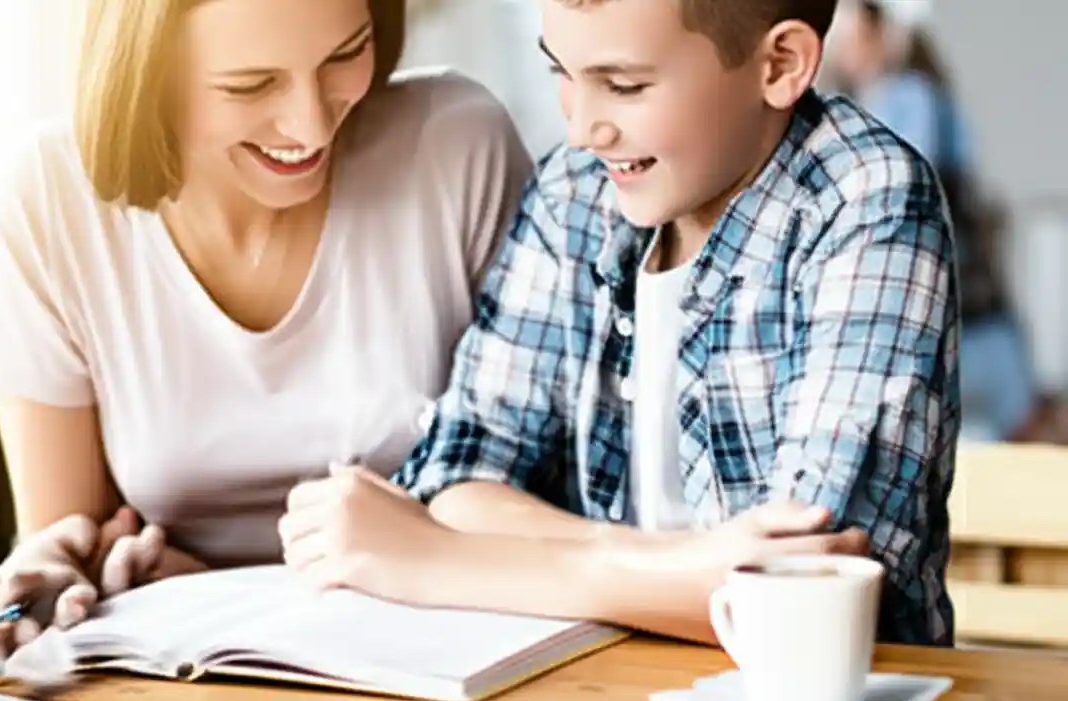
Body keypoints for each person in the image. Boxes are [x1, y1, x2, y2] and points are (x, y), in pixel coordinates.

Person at [280, 0, 960, 647]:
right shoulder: (573, 192)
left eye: (625, 85)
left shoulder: (867, 200)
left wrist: (438, 564)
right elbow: (459, 479)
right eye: (562, 73)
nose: (582, 130)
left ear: (779, 65)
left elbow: (808, 588)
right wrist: (681, 564)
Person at [0, 0, 532, 682]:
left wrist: (249, 587)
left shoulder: (454, 146)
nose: (311, 123)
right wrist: (63, 571)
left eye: (344, 54)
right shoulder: (46, 199)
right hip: (187, 668)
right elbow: (69, 535)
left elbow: (542, 508)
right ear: (143, 74)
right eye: (250, 85)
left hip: (448, 658)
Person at [833, 0, 1039, 442]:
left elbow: (896, 191)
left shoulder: (907, 98)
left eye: (849, 31)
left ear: (883, 34)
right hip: (972, 322)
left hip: (954, 319)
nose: (840, 45)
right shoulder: (897, 98)